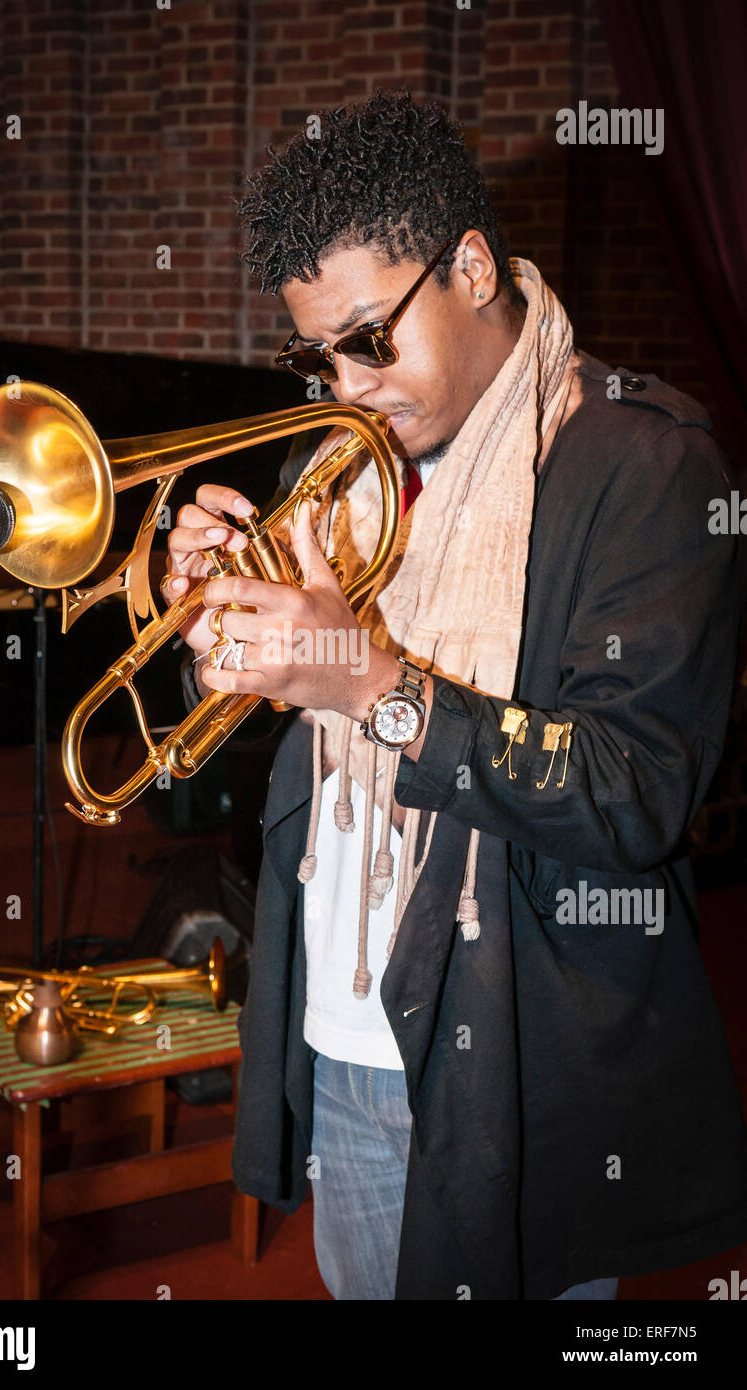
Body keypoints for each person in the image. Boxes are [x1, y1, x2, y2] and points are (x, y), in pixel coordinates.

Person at [162, 90, 747, 1300]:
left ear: (470, 267)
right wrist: (207, 620)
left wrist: (372, 681)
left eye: (370, 337)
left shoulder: (641, 464)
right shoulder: (338, 467)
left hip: (515, 1051)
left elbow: (631, 794)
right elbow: (249, 711)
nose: (344, 384)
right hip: (339, 1020)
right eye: (316, 352)